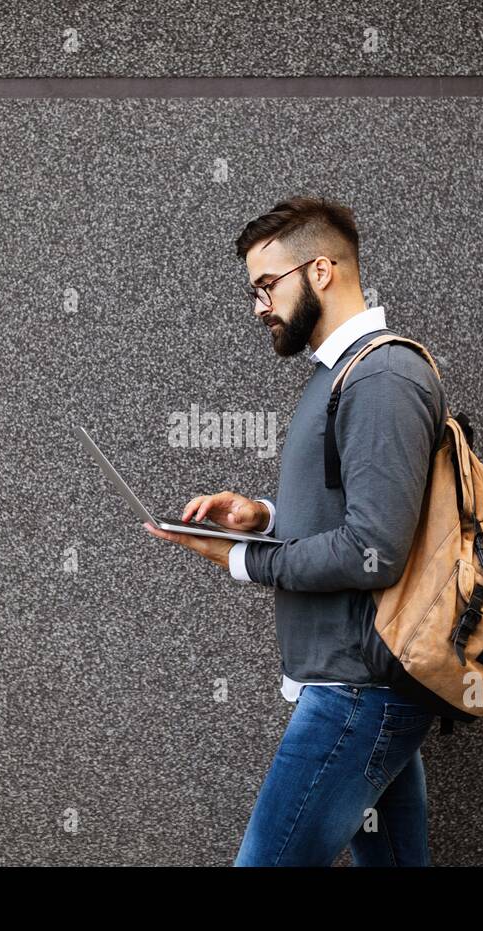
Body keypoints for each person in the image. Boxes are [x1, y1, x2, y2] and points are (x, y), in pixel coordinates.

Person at [144, 195, 445, 866]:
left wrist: (244, 559)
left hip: (356, 693)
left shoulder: (384, 377)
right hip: (351, 684)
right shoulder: (338, 375)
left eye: (266, 285)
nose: (258, 305)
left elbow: (376, 553)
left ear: (322, 271)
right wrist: (265, 519)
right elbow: (354, 515)